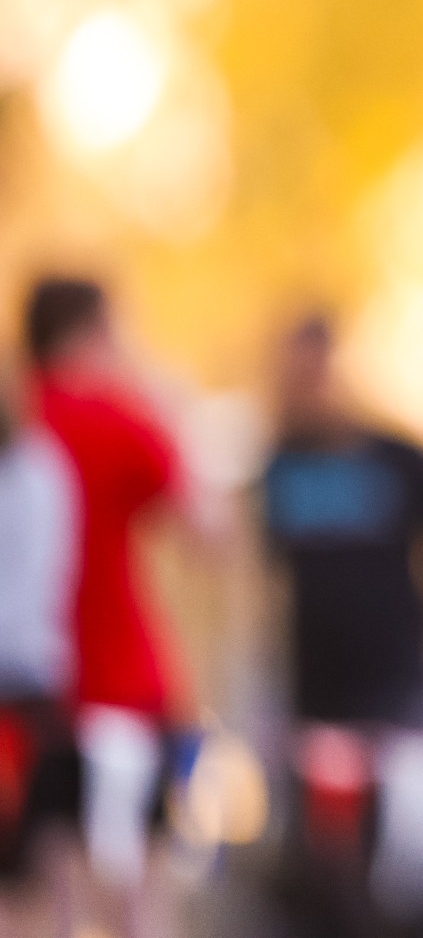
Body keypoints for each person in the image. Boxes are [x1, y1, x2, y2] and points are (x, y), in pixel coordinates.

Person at [259, 314, 423, 932]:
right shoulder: (279, 466)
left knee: (402, 853)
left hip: (394, 686)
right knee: (326, 857)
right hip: (318, 694)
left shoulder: (400, 461)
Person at [25, 276, 185, 935]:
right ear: (96, 330)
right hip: (124, 678)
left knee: (46, 895)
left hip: (31, 686)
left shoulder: (22, 421)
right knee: (136, 898)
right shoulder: (119, 416)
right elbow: (207, 521)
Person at [0, 370, 80, 933]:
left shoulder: (34, 467)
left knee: (33, 853)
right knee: (45, 854)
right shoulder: (45, 465)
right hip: (37, 674)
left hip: (23, 678)